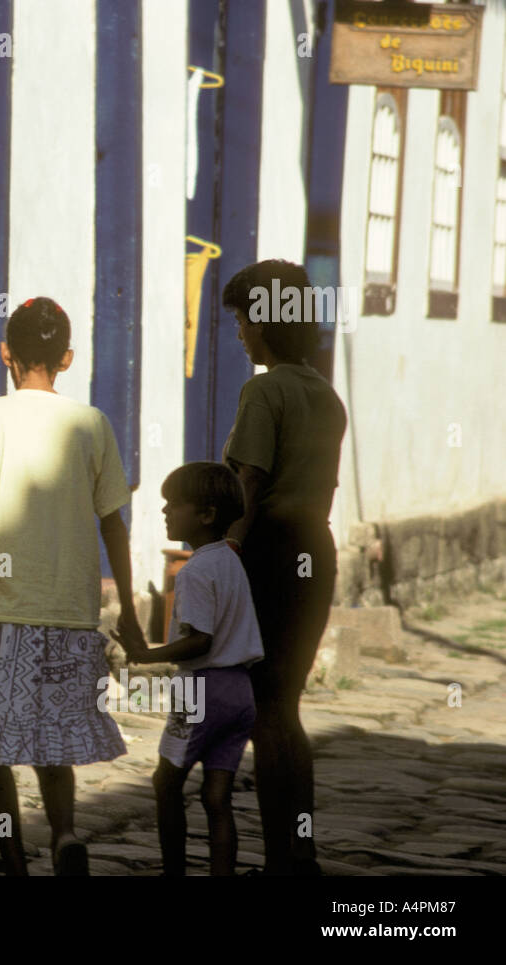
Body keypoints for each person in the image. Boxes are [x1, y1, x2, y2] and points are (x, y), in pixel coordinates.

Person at [0, 296, 146, 876]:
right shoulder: (92, 424)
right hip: (71, 611)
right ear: (68, 358)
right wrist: (126, 607)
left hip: (1, 610)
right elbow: (114, 525)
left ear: (7, 353)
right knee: (55, 742)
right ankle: (65, 834)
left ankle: (11, 854)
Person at [220, 259, 347, 875]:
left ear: (266, 323)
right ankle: (299, 851)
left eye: (245, 320)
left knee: (265, 712)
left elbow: (249, 481)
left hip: (270, 551)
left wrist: (225, 555)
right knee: (285, 707)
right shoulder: (325, 394)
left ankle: (281, 861)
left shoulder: (263, 391)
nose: (240, 333)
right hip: (314, 551)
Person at [116, 462, 263, 876]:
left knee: (166, 784)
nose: (165, 512)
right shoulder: (231, 560)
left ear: (206, 515)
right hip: (240, 691)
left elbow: (201, 640)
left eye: (173, 505)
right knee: (218, 796)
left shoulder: (195, 570)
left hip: (202, 689)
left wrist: (143, 655)